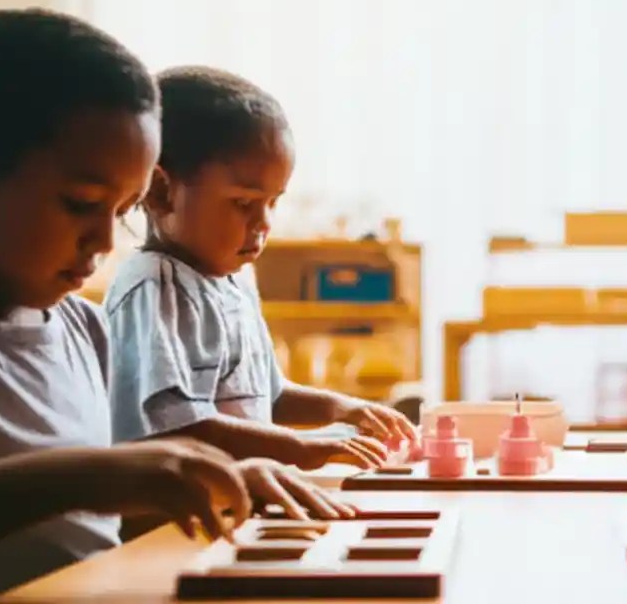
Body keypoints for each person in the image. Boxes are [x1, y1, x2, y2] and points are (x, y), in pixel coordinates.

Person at [0, 9, 250, 602]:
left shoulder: (83, 328)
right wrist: (95, 476)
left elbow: (85, 531)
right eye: (79, 203)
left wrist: (215, 484)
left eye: (121, 211)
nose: (104, 242)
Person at [105, 66, 417, 519]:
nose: (264, 223)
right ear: (161, 191)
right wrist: (302, 447)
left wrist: (343, 408)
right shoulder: (153, 286)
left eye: (274, 202)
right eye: (243, 203)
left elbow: (269, 396)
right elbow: (180, 427)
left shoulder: (235, 281)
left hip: (239, 503)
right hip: (174, 520)